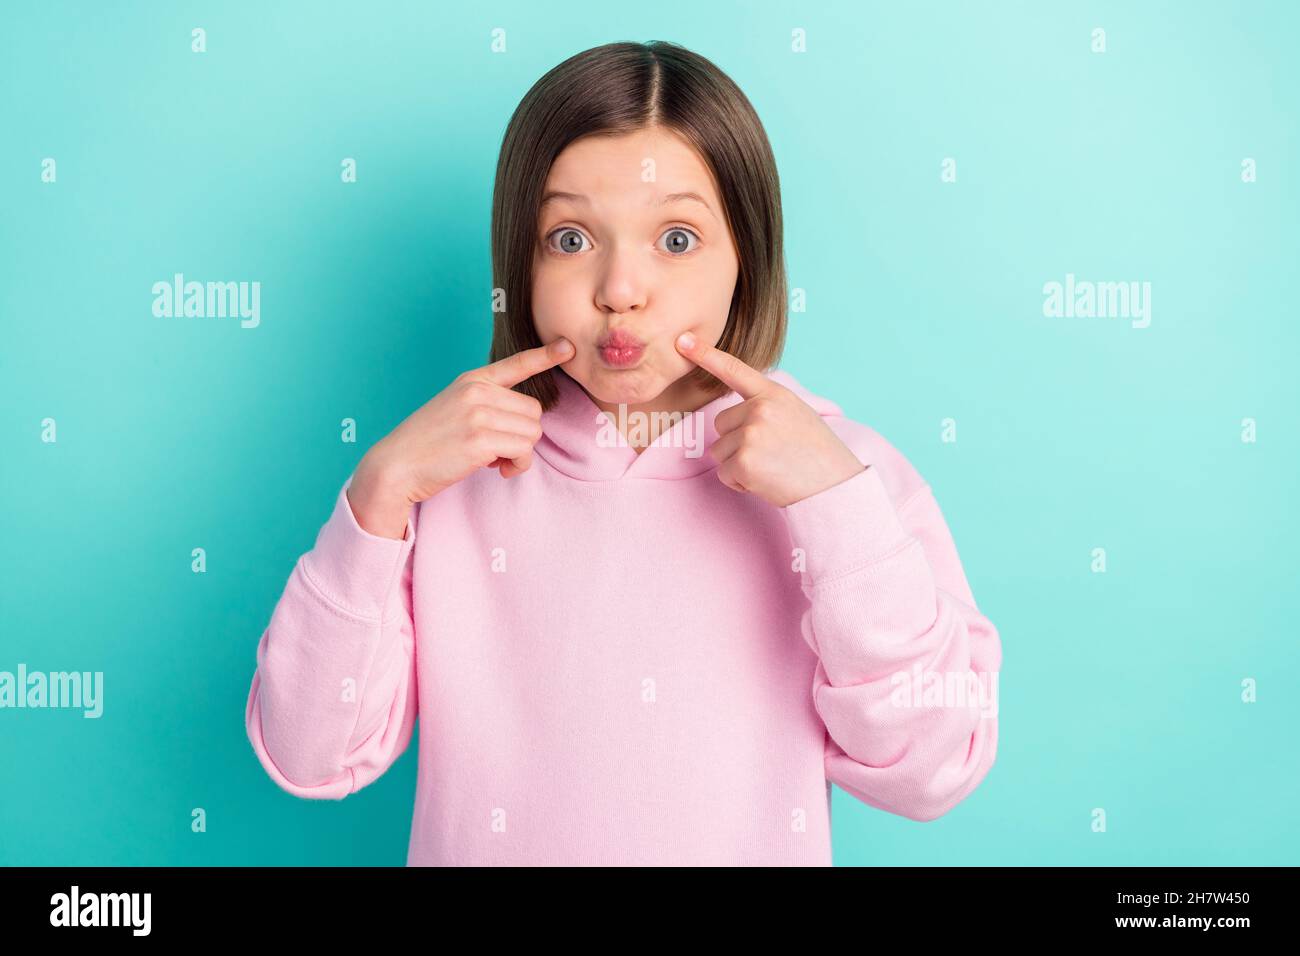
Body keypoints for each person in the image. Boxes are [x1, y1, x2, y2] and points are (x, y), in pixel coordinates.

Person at [244, 39, 1001, 866]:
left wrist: (838, 512)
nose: (619, 289)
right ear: (518, 261)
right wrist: (377, 498)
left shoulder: (844, 475)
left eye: (676, 240)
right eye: (570, 239)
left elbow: (935, 767)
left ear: (744, 259)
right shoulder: (448, 478)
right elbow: (309, 757)